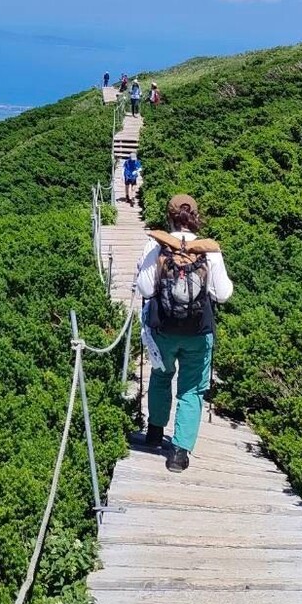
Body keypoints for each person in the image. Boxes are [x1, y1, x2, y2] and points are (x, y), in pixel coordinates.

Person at [134, 193, 234, 472]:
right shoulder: (209, 251)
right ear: (195, 217)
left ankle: (155, 432)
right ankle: (179, 453)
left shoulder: (155, 246)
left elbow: (144, 288)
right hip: (198, 331)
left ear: (169, 216)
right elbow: (223, 294)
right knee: (192, 389)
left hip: (163, 328)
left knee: (161, 375)